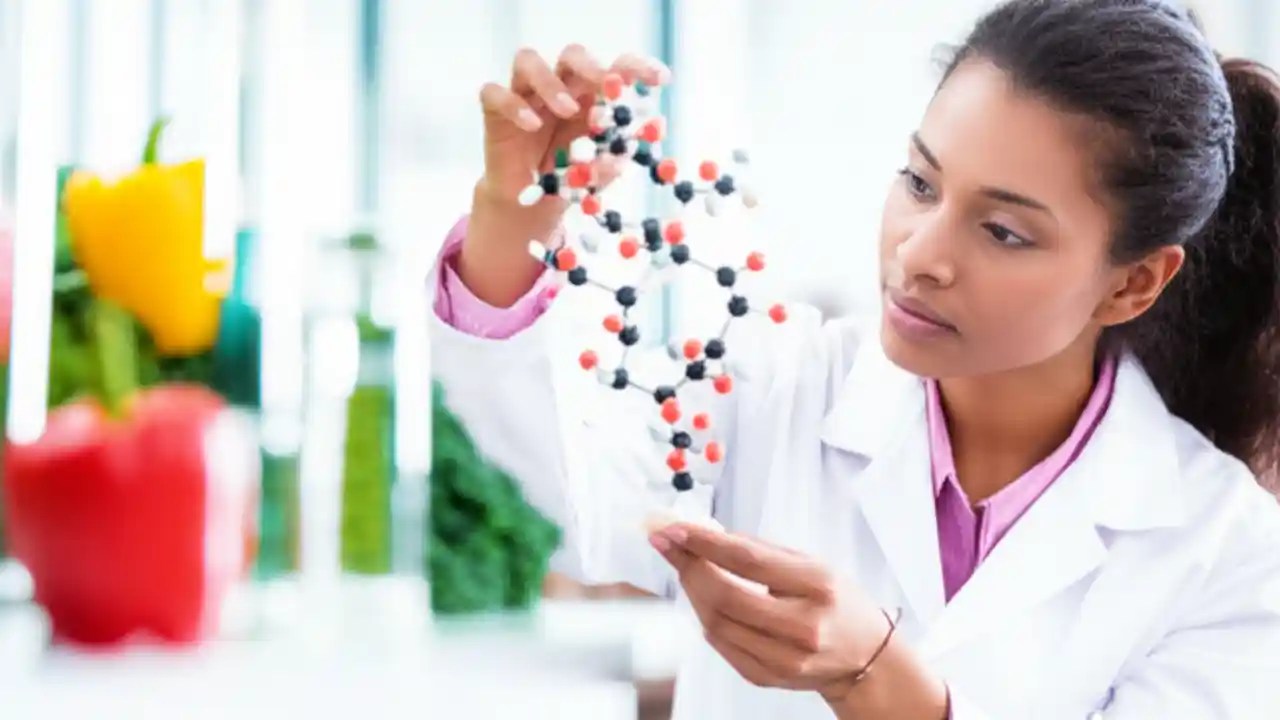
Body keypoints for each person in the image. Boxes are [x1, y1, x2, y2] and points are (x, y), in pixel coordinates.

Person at [429, 1, 1280, 717]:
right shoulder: (773, 383)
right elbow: (567, 505)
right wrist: (515, 216)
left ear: (1133, 284)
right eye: (919, 183)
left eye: (1003, 231)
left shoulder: (1227, 555)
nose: (919, 255)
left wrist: (882, 680)